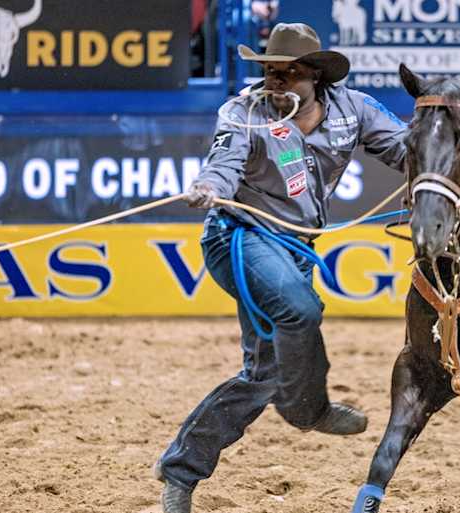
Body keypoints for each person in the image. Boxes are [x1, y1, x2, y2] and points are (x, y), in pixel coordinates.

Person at [153, 23, 407, 513]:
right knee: (300, 310)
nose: (276, 83)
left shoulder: (354, 110)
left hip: (293, 249)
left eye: (287, 74)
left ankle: (181, 471)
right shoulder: (243, 112)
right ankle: (310, 409)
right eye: (270, 72)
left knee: (264, 375)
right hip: (238, 236)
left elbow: (405, 147)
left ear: (315, 77)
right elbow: (224, 164)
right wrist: (210, 186)